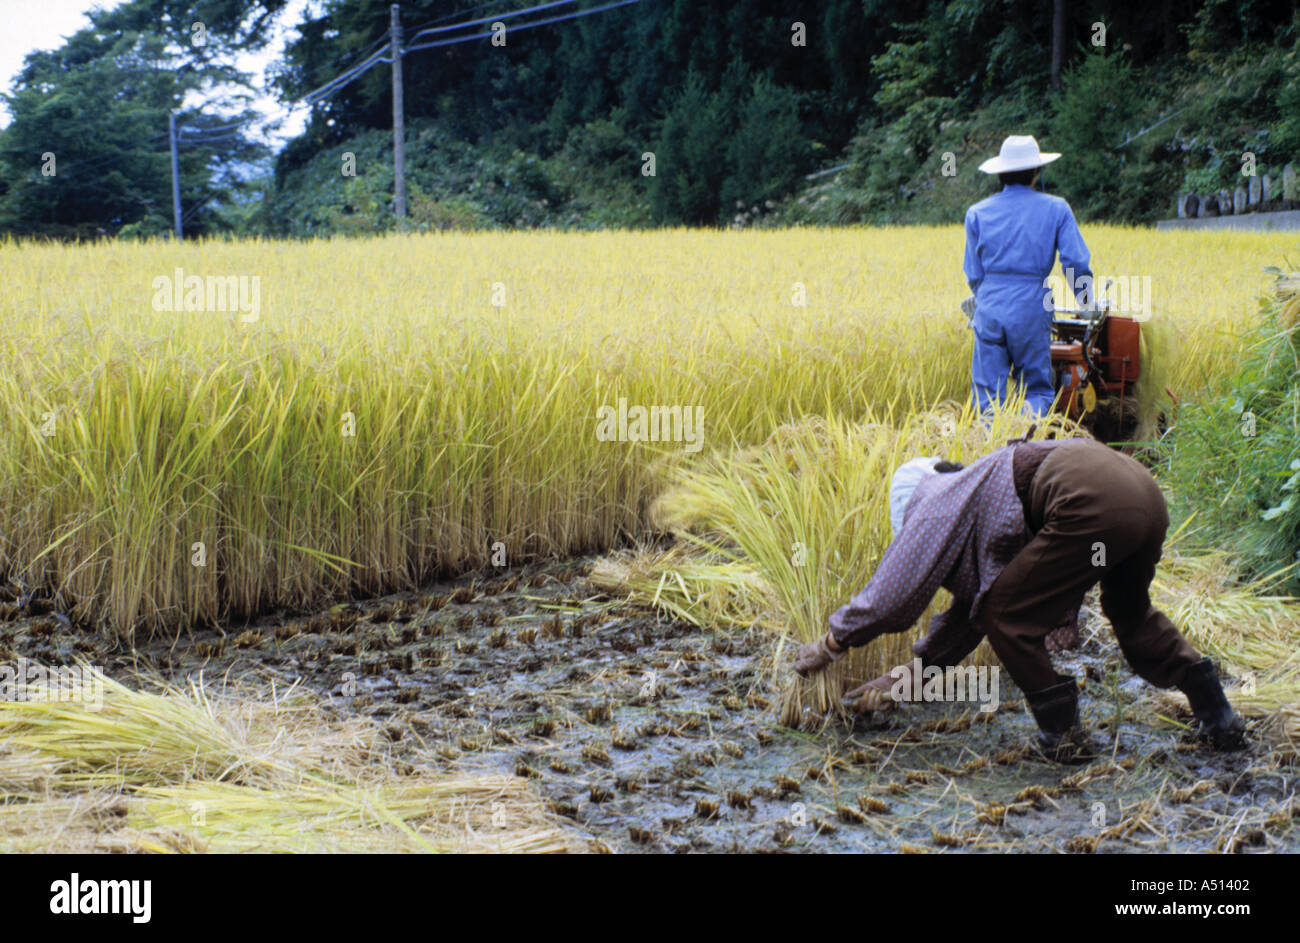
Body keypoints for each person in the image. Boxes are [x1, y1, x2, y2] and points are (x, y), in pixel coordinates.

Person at [791, 434, 1248, 759]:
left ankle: (1062, 736)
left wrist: (831, 644)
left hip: (1093, 502)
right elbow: (973, 616)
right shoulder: (981, 495)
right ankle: (1217, 713)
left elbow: (892, 598)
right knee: (1130, 612)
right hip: (1143, 498)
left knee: (1005, 616)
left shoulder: (933, 499)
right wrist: (910, 680)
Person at [963, 135, 1094, 416]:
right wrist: (1085, 302)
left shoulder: (976, 213)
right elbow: (1074, 261)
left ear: (1000, 173)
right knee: (1036, 389)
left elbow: (973, 274)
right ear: (1036, 172)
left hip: (989, 307)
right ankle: (1025, 446)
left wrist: (984, 298)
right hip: (1031, 307)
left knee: (987, 395)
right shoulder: (1057, 208)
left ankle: (990, 451)